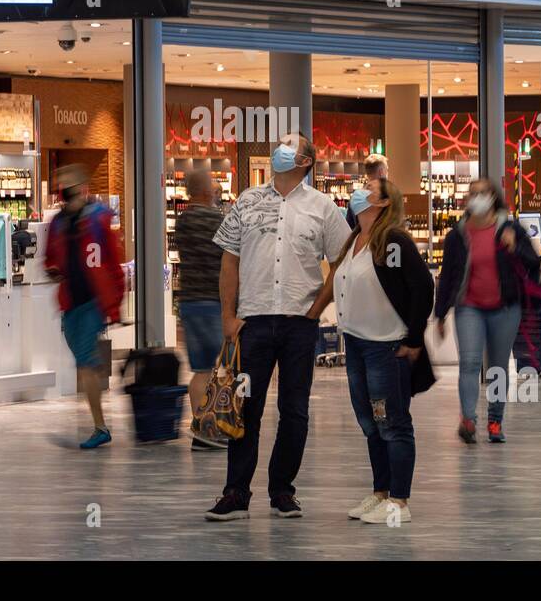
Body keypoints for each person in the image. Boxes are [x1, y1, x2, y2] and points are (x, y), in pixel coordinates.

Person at [205, 131, 350, 521]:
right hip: (252, 323)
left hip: (299, 326)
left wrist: (318, 306)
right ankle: (235, 491)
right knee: (245, 409)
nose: (278, 151)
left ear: (306, 161)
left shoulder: (323, 208)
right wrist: (228, 317)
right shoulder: (247, 201)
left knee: (295, 411)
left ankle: (282, 490)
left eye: (288, 146)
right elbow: (229, 261)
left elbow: (342, 262)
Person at [311, 176, 434, 524]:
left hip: (386, 345)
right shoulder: (354, 240)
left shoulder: (392, 242)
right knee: (370, 422)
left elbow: (422, 286)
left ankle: (399, 499)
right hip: (357, 344)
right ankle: (381, 491)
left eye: (368, 189)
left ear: (382, 203)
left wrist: (413, 337)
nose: (358, 193)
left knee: (392, 422)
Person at [434, 177, 541, 444]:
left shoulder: (511, 228)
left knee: (498, 366)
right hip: (469, 307)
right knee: (469, 363)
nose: (477, 198)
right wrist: (440, 313)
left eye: (482, 193)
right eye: (473, 193)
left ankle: (495, 421)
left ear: (494, 197)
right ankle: (468, 419)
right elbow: (447, 276)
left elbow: (533, 263)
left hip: (505, 308)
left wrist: (515, 246)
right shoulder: (457, 235)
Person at [44, 164, 125, 450]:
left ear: (79, 186)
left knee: (86, 363)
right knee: (82, 361)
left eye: (65, 182)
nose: (61, 188)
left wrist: (114, 306)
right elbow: (49, 258)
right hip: (71, 301)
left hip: (92, 300)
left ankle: (100, 427)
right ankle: (98, 421)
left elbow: (113, 263)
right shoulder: (58, 223)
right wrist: (53, 269)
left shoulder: (98, 221)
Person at [174, 169, 226, 450]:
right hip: (213, 300)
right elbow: (229, 255)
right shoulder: (214, 219)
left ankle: (201, 429)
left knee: (201, 369)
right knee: (220, 367)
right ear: (207, 191)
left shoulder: (183, 221)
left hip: (190, 301)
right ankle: (212, 428)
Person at [347, 153, 388, 229]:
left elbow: (349, 227)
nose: (386, 174)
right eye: (387, 170)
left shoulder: (355, 198)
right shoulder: (386, 198)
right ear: (381, 172)